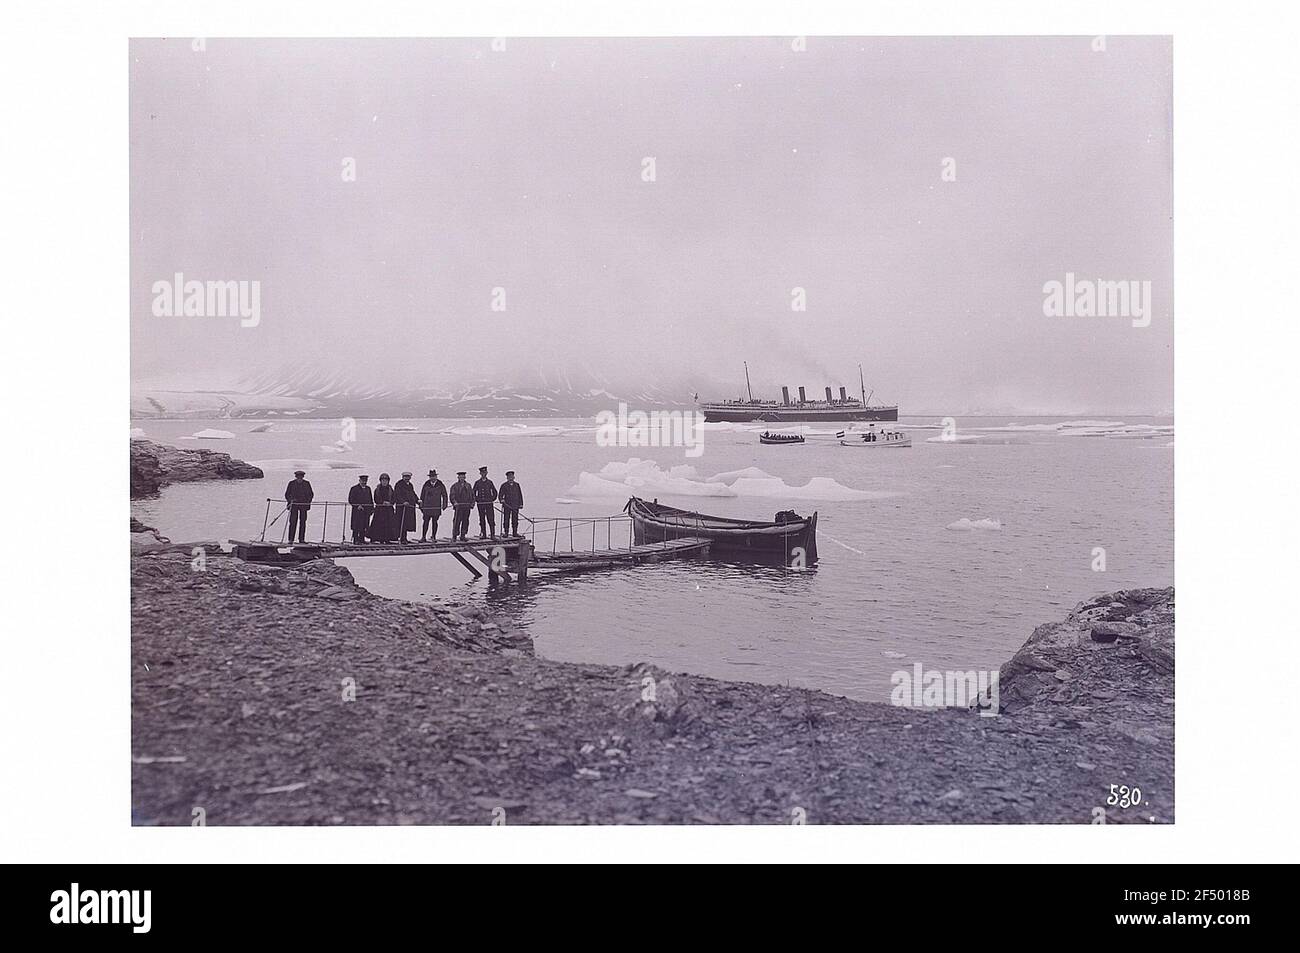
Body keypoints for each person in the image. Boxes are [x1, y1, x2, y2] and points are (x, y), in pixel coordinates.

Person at [284, 469, 314, 543]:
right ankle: (291, 539)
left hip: (303, 505)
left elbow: (311, 494)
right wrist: (290, 500)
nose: (299, 479)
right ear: (296, 477)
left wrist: (307, 502)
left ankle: (301, 539)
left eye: (301, 477)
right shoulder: (291, 483)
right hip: (294, 505)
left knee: (303, 522)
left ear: (303, 477)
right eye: (298, 477)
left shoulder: (307, 483)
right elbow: (287, 494)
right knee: (293, 522)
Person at [420, 468, 448, 542]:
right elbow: (422, 496)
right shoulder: (426, 484)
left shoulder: (440, 484)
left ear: (436, 476)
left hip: (436, 507)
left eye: (434, 476)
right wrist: (421, 506)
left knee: (435, 522)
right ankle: (423, 537)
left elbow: (445, 495)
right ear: (429, 477)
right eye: (431, 476)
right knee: (425, 522)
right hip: (427, 507)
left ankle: (434, 537)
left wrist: (444, 505)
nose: (432, 477)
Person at [368, 473, 397, 543]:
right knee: (378, 524)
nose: (384, 482)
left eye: (386, 480)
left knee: (388, 525)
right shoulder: (377, 489)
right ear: (380, 481)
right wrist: (382, 502)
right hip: (380, 510)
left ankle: (387, 539)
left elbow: (394, 498)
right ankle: (377, 538)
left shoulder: (391, 490)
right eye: (383, 480)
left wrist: (390, 503)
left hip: (388, 510)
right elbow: (375, 499)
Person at [393, 470, 420, 543]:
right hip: (402, 508)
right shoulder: (399, 484)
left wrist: (418, 501)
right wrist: (403, 502)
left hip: (409, 507)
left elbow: (413, 494)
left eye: (408, 477)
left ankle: (405, 538)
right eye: (405, 477)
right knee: (402, 522)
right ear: (402, 477)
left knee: (407, 523)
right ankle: (402, 539)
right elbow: (397, 495)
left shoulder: (410, 485)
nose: (406, 478)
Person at [348, 474, 374, 544]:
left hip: (366, 510)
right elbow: (351, 499)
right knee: (356, 525)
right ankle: (355, 539)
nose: (364, 482)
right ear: (359, 481)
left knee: (364, 525)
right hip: (357, 511)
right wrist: (357, 505)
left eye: (365, 481)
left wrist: (372, 508)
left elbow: (370, 499)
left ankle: (362, 539)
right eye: (362, 481)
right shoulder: (354, 488)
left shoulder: (368, 489)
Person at [473, 465, 498, 539]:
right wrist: (477, 499)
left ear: (487, 473)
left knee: (491, 519)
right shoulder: (477, 483)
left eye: (485, 472)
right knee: (482, 519)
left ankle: (492, 534)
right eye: (482, 473)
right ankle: (484, 534)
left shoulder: (490, 482)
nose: (483, 474)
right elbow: (473, 493)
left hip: (489, 504)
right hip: (480, 504)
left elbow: (495, 492)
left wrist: (492, 499)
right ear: (480, 474)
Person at [449, 471, 474, 541]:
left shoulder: (468, 485)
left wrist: (472, 503)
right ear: (458, 478)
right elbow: (452, 496)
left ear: (465, 477)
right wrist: (455, 503)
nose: (462, 478)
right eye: (460, 477)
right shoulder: (454, 486)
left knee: (465, 521)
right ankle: (454, 536)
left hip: (467, 506)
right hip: (458, 507)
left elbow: (472, 495)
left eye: (463, 477)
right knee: (456, 521)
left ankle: (463, 535)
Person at [499, 470, 523, 537]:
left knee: (515, 519)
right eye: (509, 477)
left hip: (515, 505)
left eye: (512, 476)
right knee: (506, 519)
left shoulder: (517, 485)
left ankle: (514, 532)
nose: (511, 478)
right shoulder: (504, 485)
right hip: (507, 505)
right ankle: (506, 532)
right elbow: (500, 495)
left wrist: (521, 504)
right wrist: (502, 500)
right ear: (507, 478)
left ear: (514, 477)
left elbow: (520, 495)